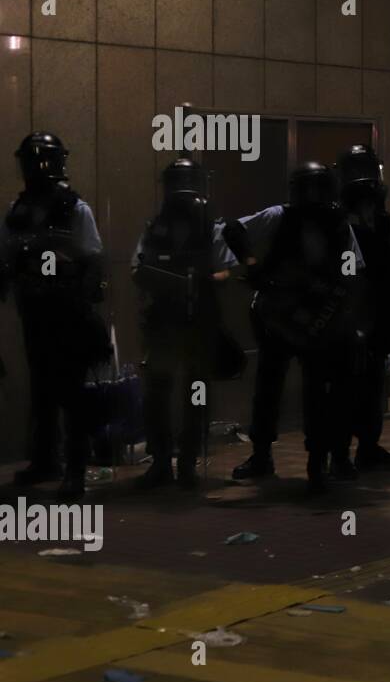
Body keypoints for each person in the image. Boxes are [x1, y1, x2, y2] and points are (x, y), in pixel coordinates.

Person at [222, 162, 365, 494]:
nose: (313, 199)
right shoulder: (279, 216)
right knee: (269, 386)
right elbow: (233, 230)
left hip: (319, 319)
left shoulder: (339, 226)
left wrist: (338, 307)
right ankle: (262, 455)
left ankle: (318, 461)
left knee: (317, 392)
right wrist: (253, 264)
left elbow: (352, 270)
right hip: (278, 317)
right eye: (308, 191)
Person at [0, 132, 111, 499]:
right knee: (42, 389)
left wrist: (79, 301)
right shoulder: (19, 209)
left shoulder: (72, 207)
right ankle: (46, 460)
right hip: (34, 310)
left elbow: (92, 259)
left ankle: (75, 469)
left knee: (71, 392)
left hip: (66, 312)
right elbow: (7, 257)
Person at [132, 158, 241, 489]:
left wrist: (201, 280)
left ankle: (190, 462)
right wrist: (162, 279)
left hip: (198, 323)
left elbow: (226, 270)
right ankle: (162, 461)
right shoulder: (155, 227)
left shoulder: (212, 227)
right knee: (157, 395)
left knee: (196, 394)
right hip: (165, 322)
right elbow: (138, 269)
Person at [333, 145, 390, 475]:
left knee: (371, 382)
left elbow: (385, 263)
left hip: (377, 310)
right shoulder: (339, 219)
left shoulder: (380, 218)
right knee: (348, 384)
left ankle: (366, 447)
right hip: (351, 311)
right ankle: (341, 453)